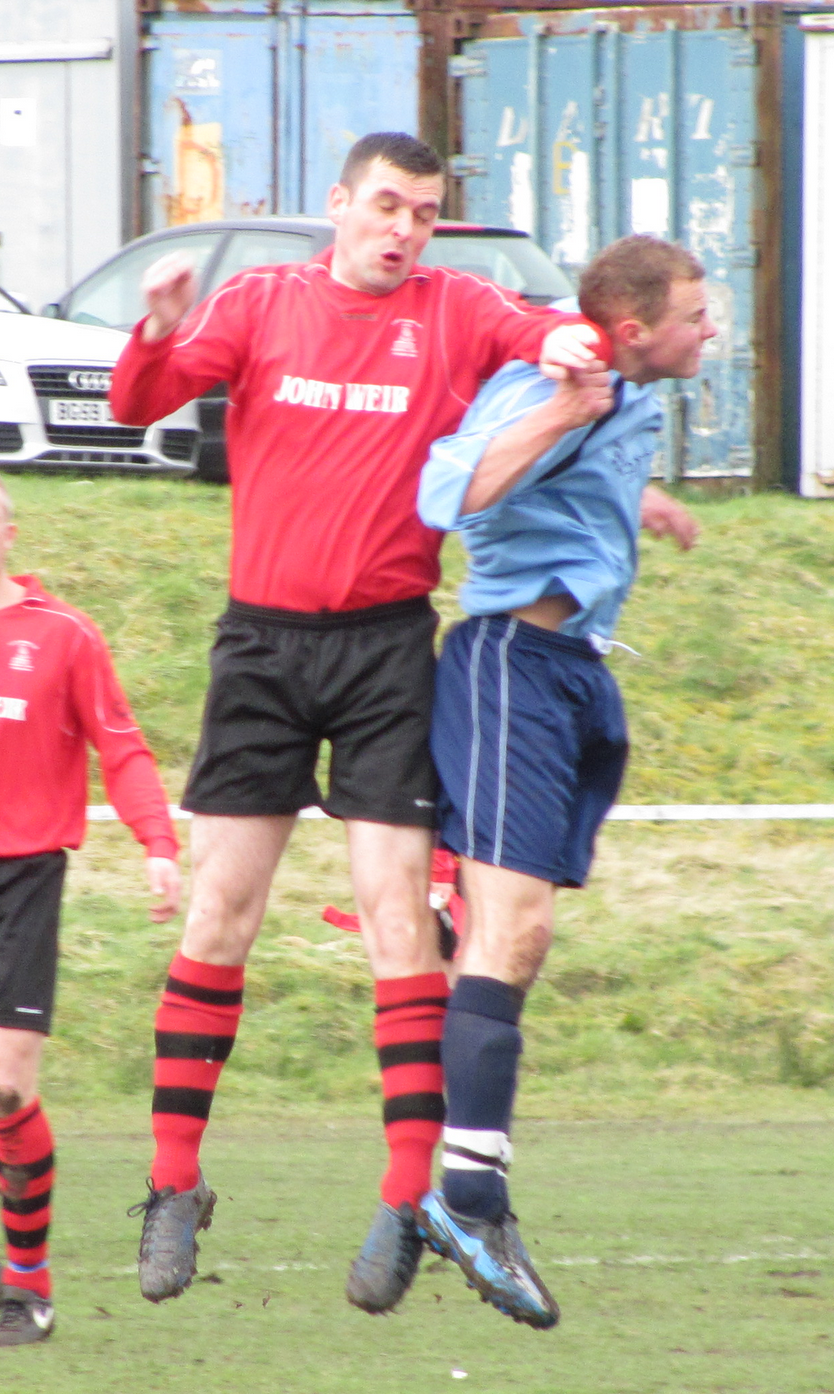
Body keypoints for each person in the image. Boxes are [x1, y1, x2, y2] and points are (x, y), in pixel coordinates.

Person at [107, 130, 601, 1312]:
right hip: (264, 647)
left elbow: (541, 334)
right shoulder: (263, 299)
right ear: (338, 205)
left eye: (424, 213)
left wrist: (570, 339)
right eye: (386, 206)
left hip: (388, 648)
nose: (403, 230)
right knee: (224, 912)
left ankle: (402, 1199)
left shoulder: (454, 308)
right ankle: (174, 1184)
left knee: (398, 924)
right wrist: (161, 323)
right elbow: (137, 403)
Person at [414, 233, 710, 1328]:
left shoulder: (624, 395)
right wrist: (558, 411)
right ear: (633, 330)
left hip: (570, 680)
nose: (710, 329)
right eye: (695, 313)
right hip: (510, 667)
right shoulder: (553, 381)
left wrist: (642, 505)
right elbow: (448, 489)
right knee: (512, 932)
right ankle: (464, 1195)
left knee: (499, 940)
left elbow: (566, 488)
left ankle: (430, 1186)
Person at [0, 461, 179, 1348]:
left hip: (20, 881)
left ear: (11, 533)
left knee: (7, 1089)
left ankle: (31, 1287)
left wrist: (158, 845)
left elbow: (121, 748)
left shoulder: (64, 636)